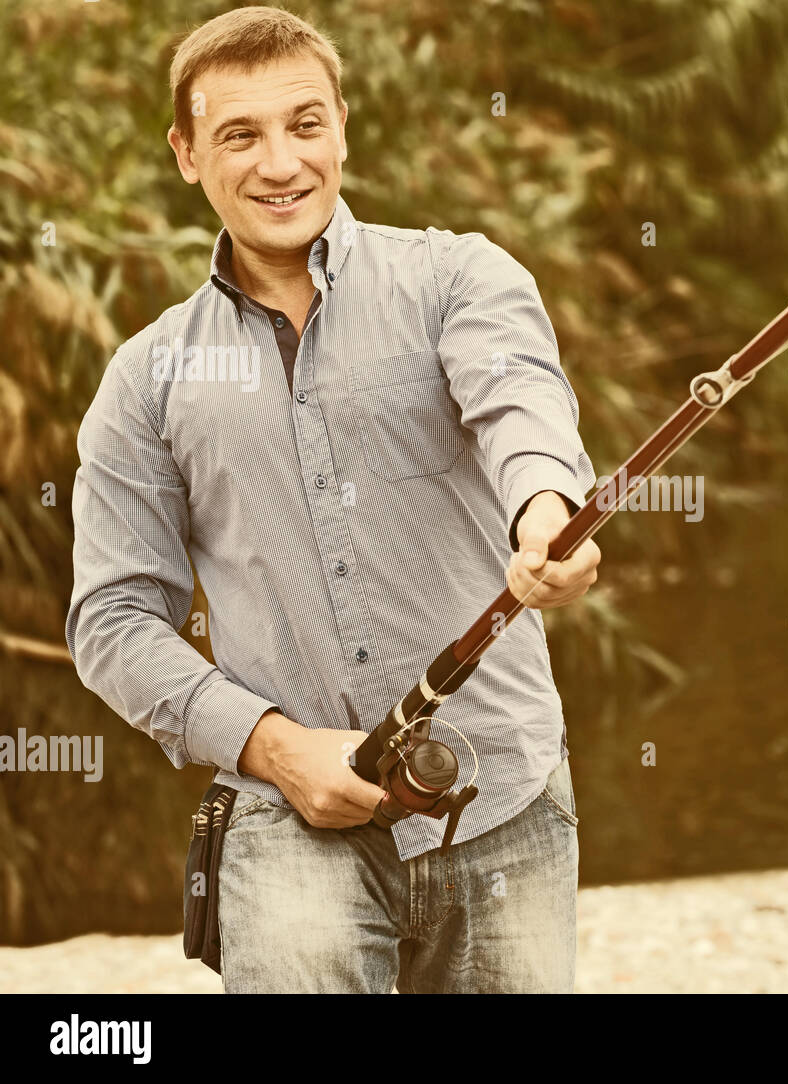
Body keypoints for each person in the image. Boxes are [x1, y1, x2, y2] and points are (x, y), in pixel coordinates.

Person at [65, 7, 599, 992]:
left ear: (343, 125)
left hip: (504, 792)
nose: (280, 163)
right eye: (240, 134)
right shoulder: (145, 381)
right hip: (285, 810)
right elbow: (112, 618)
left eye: (304, 125)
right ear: (186, 153)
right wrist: (271, 748)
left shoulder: (459, 279)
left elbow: (523, 404)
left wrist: (544, 512)